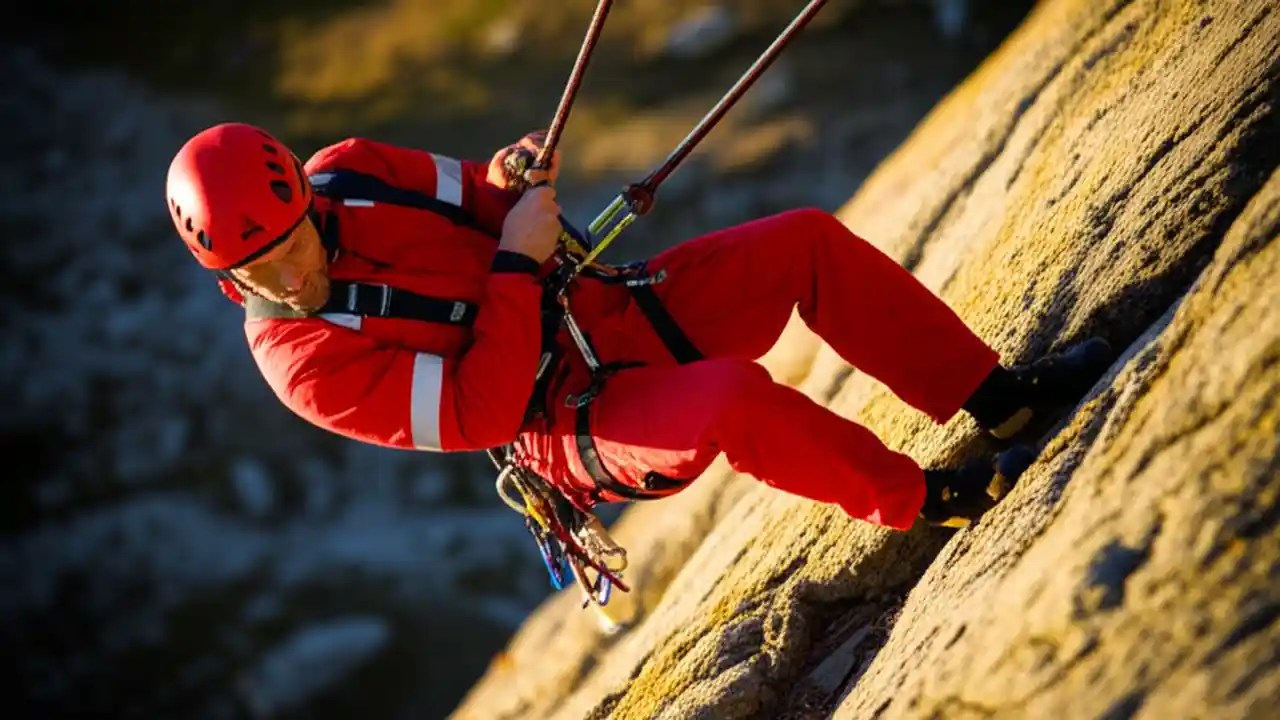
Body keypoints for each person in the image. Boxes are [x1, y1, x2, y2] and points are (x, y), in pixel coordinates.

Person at [165, 123, 1110, 531]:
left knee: (805, 243)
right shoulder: (302, 365)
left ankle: (1000, 401)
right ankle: (922, 501)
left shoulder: (352, 170)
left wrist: (512, 179)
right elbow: (483, 413)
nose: (294, 270)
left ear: (302, 194)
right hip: (569, 418)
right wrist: (515, 263)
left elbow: (491, 202)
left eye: (293, 242)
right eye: (262, 268)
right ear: (226, 280)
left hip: (602, 306)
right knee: (733, 399)